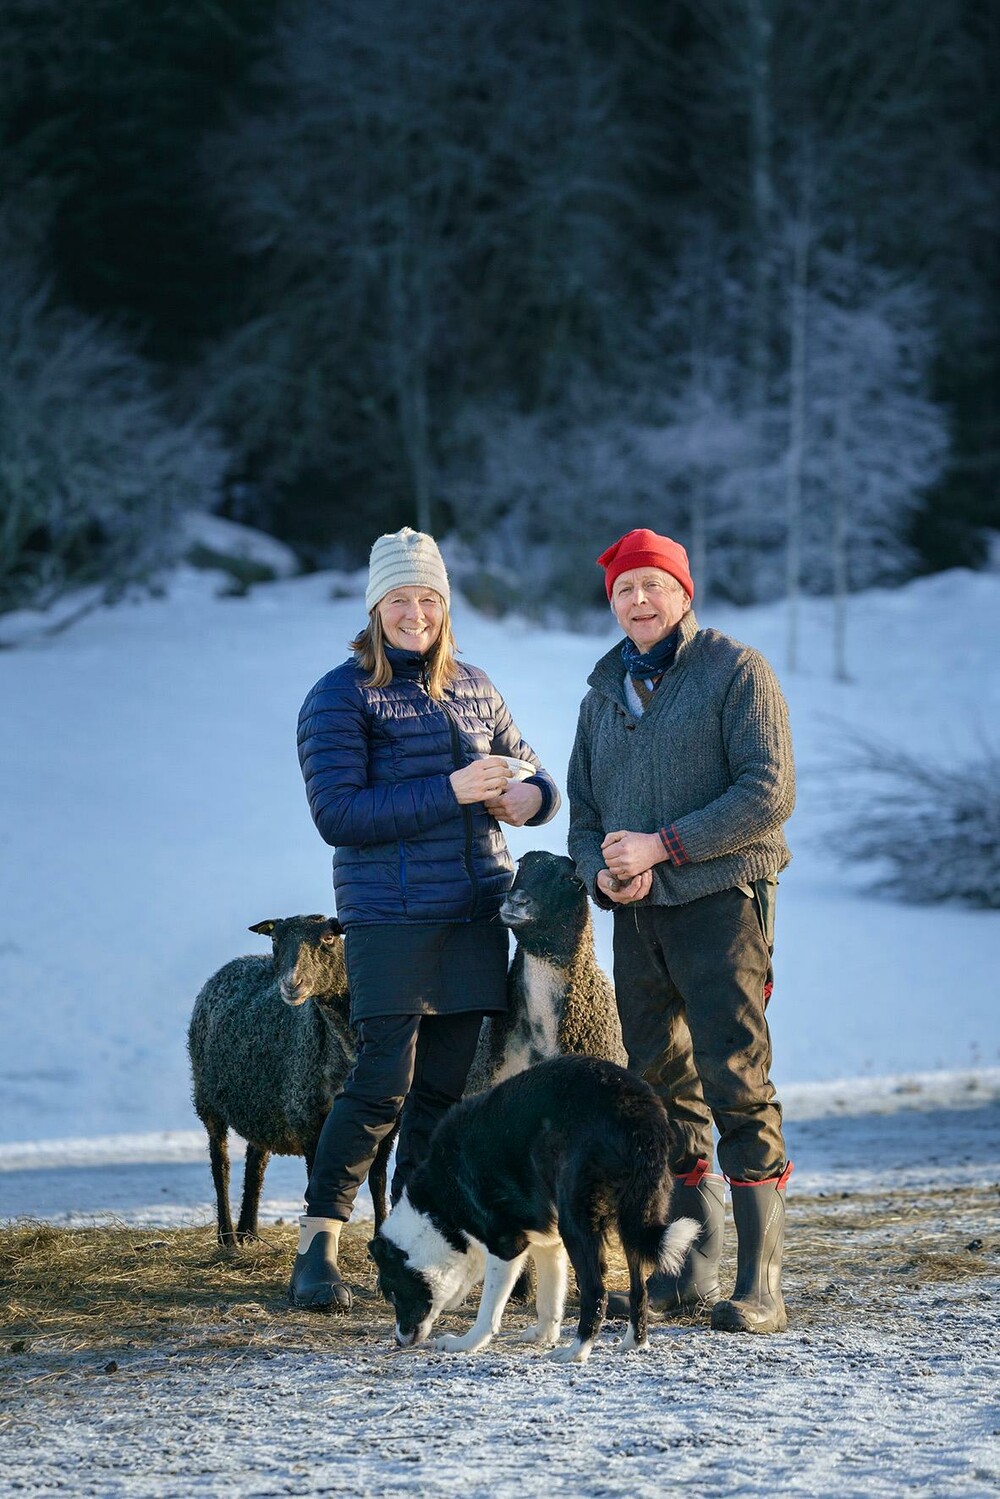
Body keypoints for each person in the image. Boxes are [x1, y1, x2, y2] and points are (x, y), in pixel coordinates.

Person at [292, 527, 560, 1310]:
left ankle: (404, 1250)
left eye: (430, 598)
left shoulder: (476, 684)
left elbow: (534, 772)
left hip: (476, 910)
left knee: (444, 1093)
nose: (417, 612)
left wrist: (529, 797)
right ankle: (317, 1248)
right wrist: (452, 788)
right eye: (401, 598)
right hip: (389, 915)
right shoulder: (340, 695)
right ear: (377, 608)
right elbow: (337, 813)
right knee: (382, 1083)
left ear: (446, 607)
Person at [567, 527, 795, 1333]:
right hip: (639, 918)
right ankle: (687, 1268)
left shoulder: (736, 671)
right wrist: (601, 867)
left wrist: (664, 844)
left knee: (733, 1074)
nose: (638, 600)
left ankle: (759, 1282)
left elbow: (768, 791)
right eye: (625, 589)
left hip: (722, 901)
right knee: (661, 1087)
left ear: (683, 592)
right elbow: (585, 816)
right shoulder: (602, 693)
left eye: (653, 585)